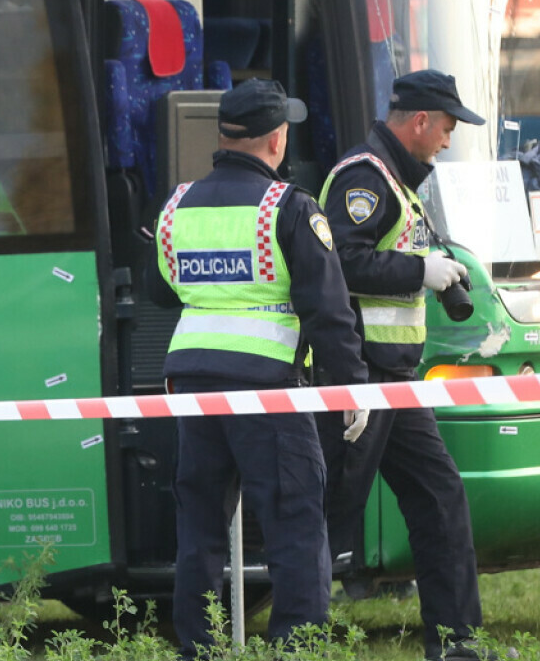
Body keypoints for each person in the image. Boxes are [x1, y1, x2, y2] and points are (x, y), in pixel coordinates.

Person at [157, 79, 368, 656]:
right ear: (277, 139)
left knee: (199, 526)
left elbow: (167, 286)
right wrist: (351, 388)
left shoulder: (177, 205)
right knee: (295, 521)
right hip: (267, 388)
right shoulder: (289, 207)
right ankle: (296, 647)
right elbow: (328, 309)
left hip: (193, 385)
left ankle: (198, 647)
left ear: (223, 134)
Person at [317, 69, 486, 661]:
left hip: (395, 380)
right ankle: (302, 640)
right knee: (327, 513)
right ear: (418, 121)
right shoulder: (363, 177)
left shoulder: (396, 178)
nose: (448, 139)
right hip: (359, 376)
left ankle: (458, 642)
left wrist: (429, 267)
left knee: (440, 496)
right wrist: (420, 272)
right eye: (445, 127)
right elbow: (339, 263)